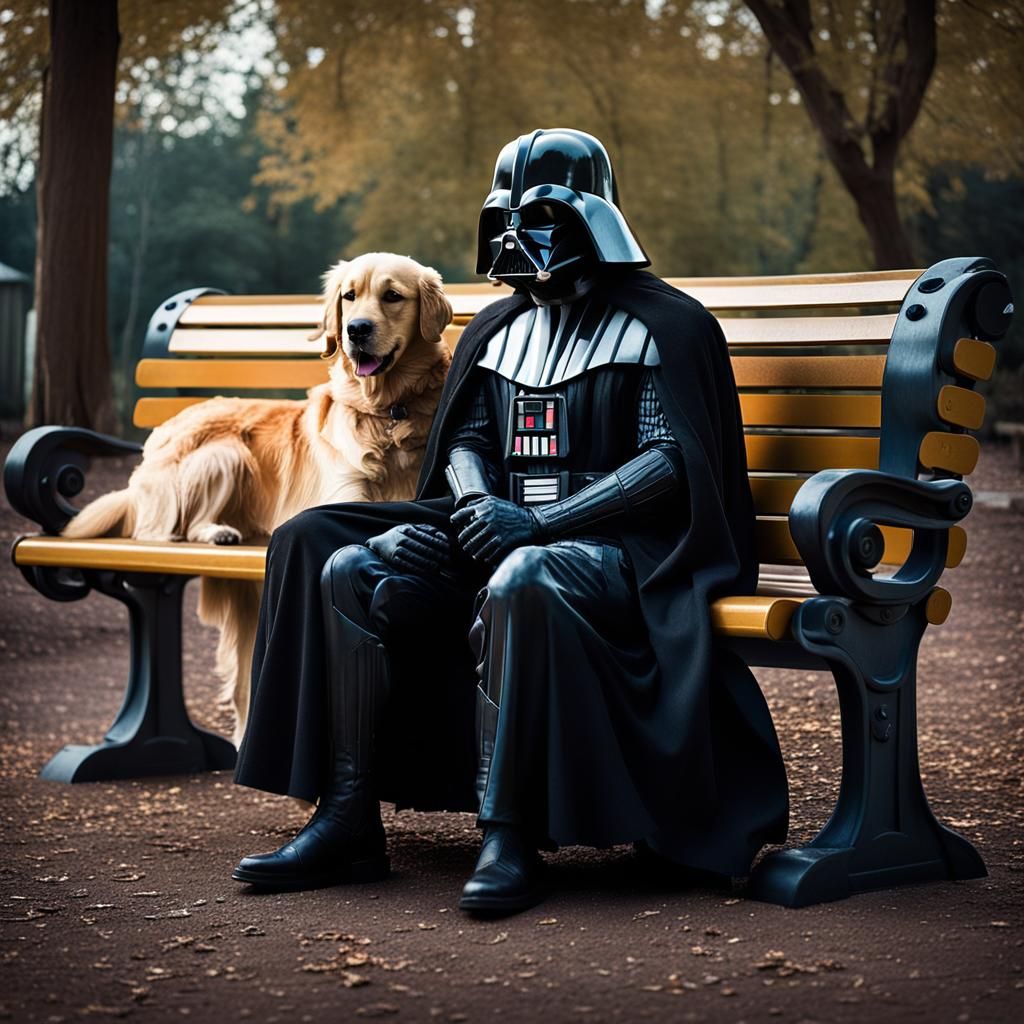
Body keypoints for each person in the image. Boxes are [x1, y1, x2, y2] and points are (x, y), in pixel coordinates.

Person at [232, 128, 788, 913]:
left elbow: (670, 462)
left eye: (544, 218)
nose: (521, 239)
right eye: (507, 219)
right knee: (343, 561)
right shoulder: (497, 328)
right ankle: (348, 818)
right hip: (500, 527)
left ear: (593, 216)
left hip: (627, 553)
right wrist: (477, 503)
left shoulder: (670, 324)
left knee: (523, 575)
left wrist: (545, 522)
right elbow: (465, 438)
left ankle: (509, 832)